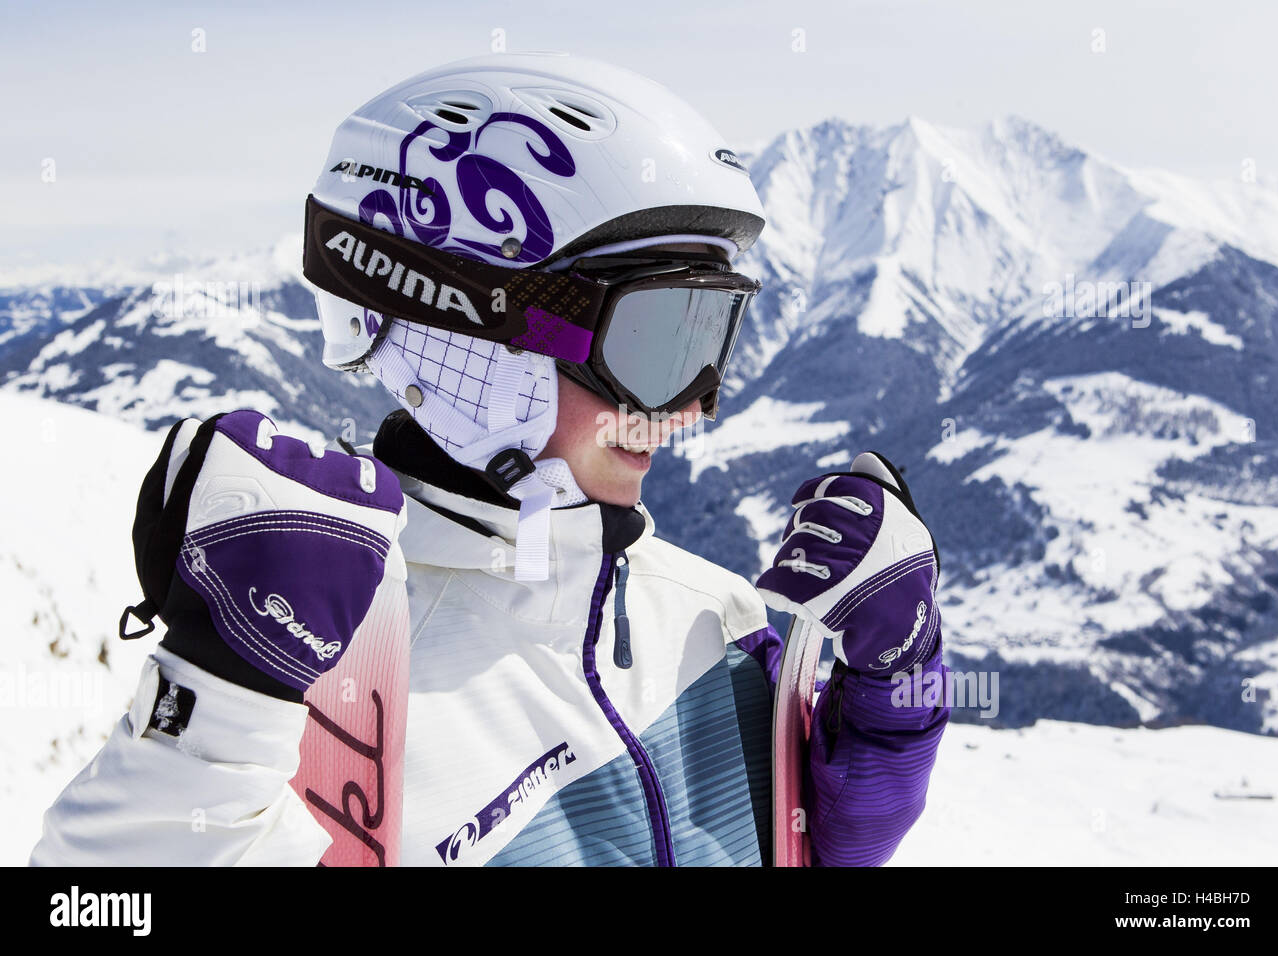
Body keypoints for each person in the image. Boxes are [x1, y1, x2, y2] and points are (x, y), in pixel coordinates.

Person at [31, 52, 949, 867]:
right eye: (658, 340)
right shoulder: (339, 686)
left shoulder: (713, 616)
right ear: (466, 331)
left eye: (712, 334)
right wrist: (221, 704)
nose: (693, 405)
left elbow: (816, 845)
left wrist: (895, 689)